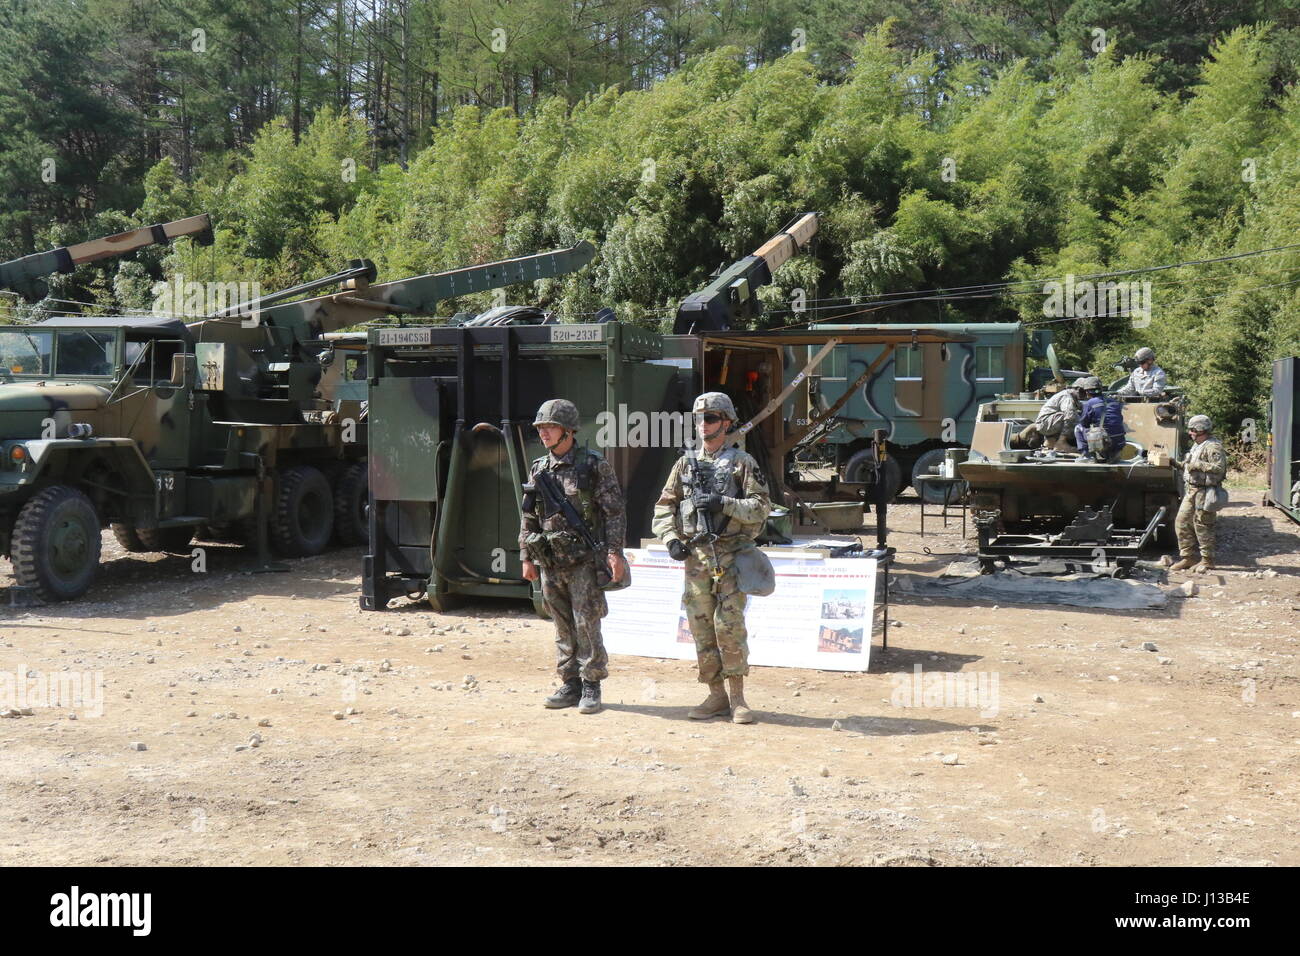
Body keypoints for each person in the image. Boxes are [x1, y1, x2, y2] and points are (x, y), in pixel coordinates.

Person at [652, 392, 770, 724]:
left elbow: (762, 508)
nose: (704, 424)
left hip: (731, 555)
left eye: (711, 418)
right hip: (697, 558)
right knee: (701, 628)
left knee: (729, 626)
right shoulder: (684, 464)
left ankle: (738, 697)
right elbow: (664, 507)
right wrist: (671, 539)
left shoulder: (742, 462)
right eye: (700, 418)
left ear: (727, 422)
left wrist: (723, 503)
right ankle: (716, 695)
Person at [519, 399, 627, 714]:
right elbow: (528, 516)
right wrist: (526, 556)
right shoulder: (539, 468)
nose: (544, 433)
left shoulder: (592, 465)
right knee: (562, 623)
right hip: (551, 560)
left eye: (550, 427)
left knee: (586, 622)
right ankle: (570, 683)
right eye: (541, 428)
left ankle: (591, 683)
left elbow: (614, 512)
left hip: (584, 560)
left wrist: (614, 552)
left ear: (568, 431)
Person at [1171, 414, 1227, 573]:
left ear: (1201, 430)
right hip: (1192, 490)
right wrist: (1174, 463)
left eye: (1192, 430)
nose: (1190, 433)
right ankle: (1187, 557)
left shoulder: (1213, 446)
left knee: (1203, 525)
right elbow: (1188, 466)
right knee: (1181, 522)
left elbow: (1219, 469)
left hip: (1204, 491)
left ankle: (1207, 560)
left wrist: (1198, 464)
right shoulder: (1197, 445)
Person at [1014, 380, 1086, 450]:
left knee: (1075, 417)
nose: (1086, 394)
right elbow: (1069, 416)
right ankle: (1061, 442)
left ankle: (1050, 444)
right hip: (1045, 424)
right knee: (1071, 417)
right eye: (1085, 392)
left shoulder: (1073, 398)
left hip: (1048, 423)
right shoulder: (1067, 397)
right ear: (1078, 389)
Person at [1073, 377, 1127, 461]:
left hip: (1103, 441)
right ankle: (1113, 454)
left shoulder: (1090, 403)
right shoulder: (1114, 402)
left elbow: (1084, 423)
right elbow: (1119, 418)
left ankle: (1087, 456)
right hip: (1119, 441)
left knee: (1078, 428)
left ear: (1087, 392)